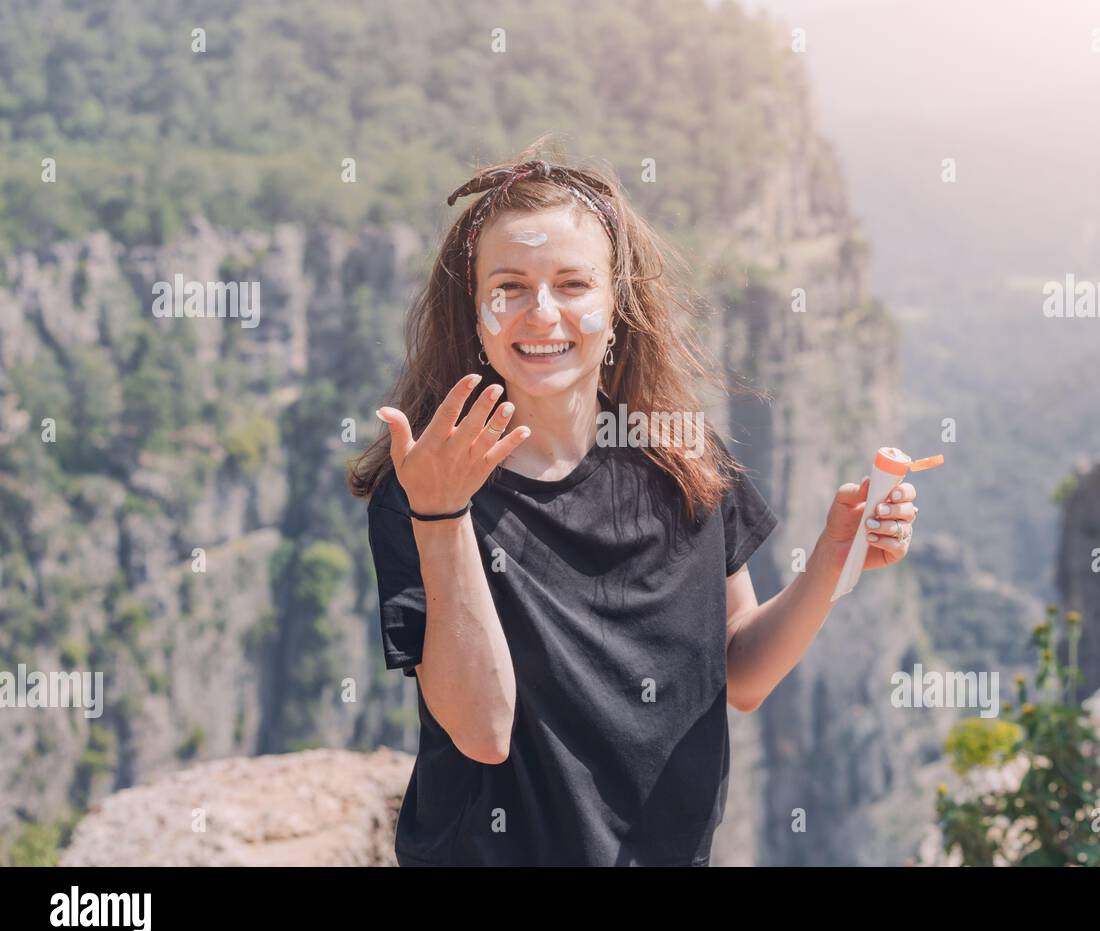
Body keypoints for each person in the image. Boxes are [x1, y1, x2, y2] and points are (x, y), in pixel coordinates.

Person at [347, 145, 920, 866]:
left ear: (615, 302)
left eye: (573, 283)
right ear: (475, 307)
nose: (542, 312)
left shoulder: (682, 457)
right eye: (510, 286)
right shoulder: (427, 484)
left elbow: (740, 670)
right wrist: (442, 518)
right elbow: (483, 729)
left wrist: (835, 559)